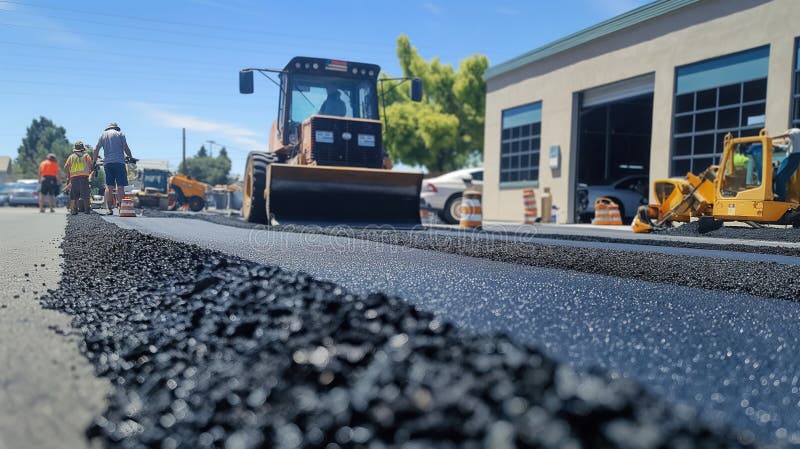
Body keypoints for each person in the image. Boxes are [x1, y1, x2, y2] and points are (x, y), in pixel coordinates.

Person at [92, 122, 133, 215]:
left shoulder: (103, 135)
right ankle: (120, 209)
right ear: (116, 128)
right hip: (119, 163)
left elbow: (96, 149)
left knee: (109, 186)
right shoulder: (120, 134)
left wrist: (94, 161)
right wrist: (130, 157)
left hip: (108, 164)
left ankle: (109, 209)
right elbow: (126, 148)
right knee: (120, 186)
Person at [64, 141, 93, 215]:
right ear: (83, 148)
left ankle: (75, 209)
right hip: (84, 177)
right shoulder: (86, 155)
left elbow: (66, 167)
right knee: (85, 194)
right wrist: (90, 172)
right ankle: (87, 210)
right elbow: (90, 165)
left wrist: (68, 175)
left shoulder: (71, 157)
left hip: (74, 178)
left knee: (74, 195)